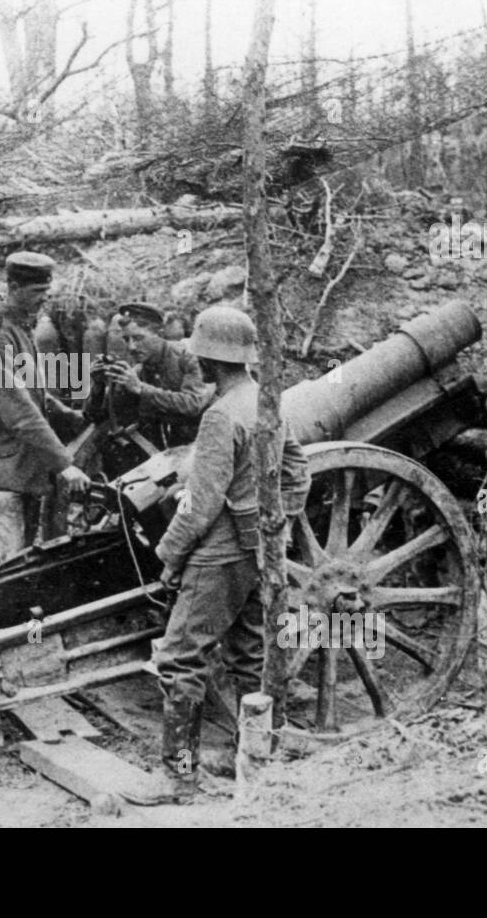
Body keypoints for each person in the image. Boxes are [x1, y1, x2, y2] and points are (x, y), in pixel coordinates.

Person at [143, 305, 311, 803]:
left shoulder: (219, 415)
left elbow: (202, 503)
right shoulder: (264, 401)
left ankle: (179, 777)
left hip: (215, 557)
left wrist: (168, 553)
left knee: (179, 658)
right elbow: (299, 472)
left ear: (210, 362)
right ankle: (256, 761)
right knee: (249, 653)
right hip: (256, 550)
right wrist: (271, 524)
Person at [0, 251, 89, 566]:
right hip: (1, 467)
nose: (43, 300)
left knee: (23, 563)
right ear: (14, 287)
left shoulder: (20, 327)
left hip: (24, 465)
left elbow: (34, 392)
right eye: (36, 293)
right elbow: (17, 409)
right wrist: (63, 463)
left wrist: (68, 414)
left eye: (46, 293)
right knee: (5, 567)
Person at [86, 301, 211, 450]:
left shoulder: (189, 357)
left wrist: (141, 388)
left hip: (204, 444)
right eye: (126, 339)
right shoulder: (139, 371)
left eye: (138, 338)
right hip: (167, 450)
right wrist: (98, 386)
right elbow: (98, 417)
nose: (131, 347)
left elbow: (194, 403)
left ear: (160, 335)